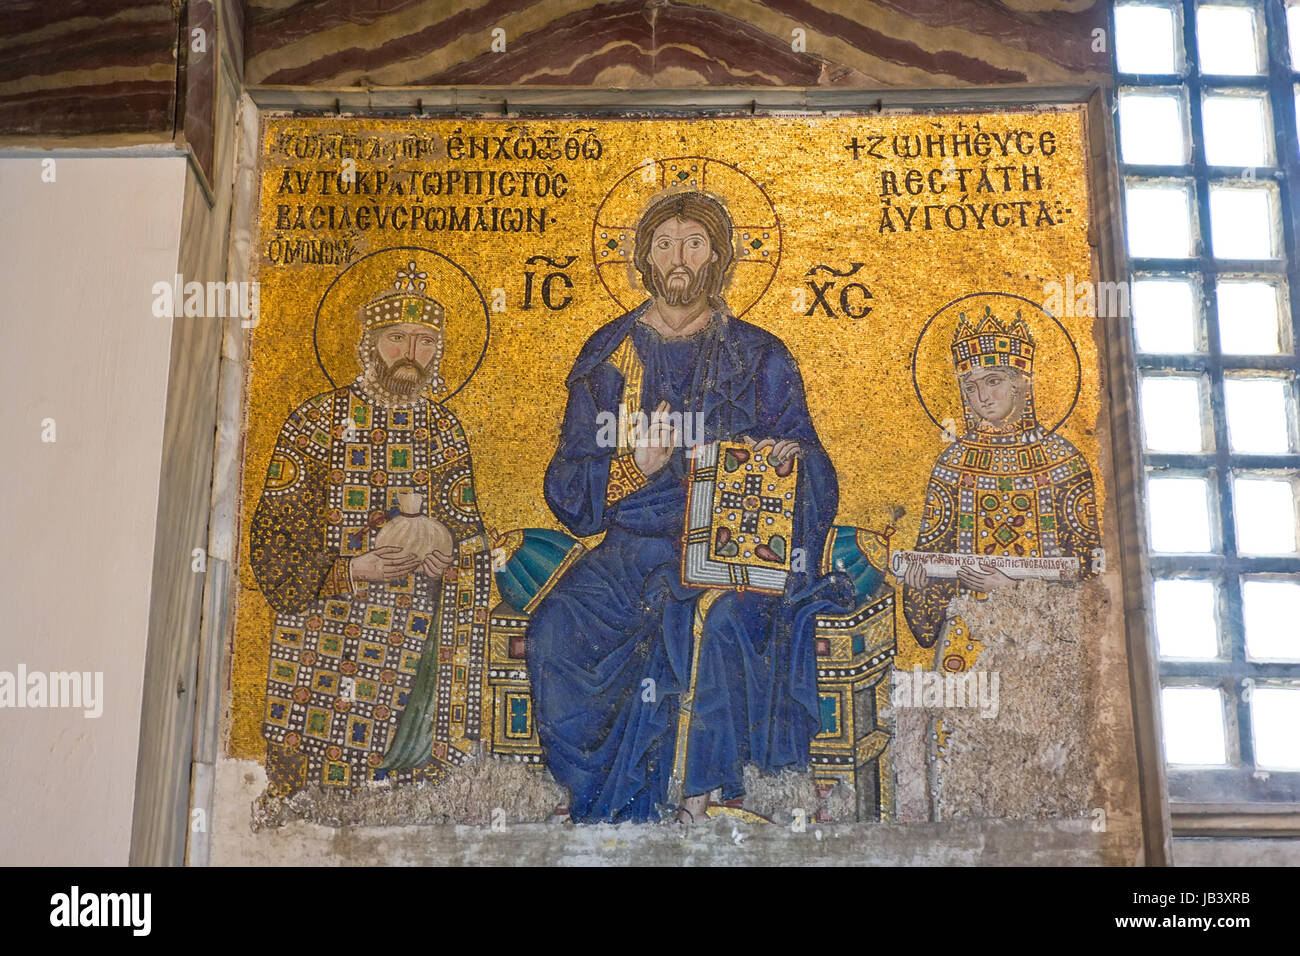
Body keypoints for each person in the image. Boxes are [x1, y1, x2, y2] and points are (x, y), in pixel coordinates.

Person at [526, 190, 852, 824]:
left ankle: (703, 801)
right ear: (643, 257)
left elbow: (815, 466)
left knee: (721, 621)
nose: (679, 257)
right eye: (665, 243)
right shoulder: (607, 357)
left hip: (729, 547)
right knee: (554, 629)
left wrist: (789, 458)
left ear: (719, 258)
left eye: (695, 243)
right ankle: (599, 802)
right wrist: (629, 467)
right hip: (632, 551)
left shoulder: (760, 356)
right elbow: (567, 491)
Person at [251, 262, 492, 795]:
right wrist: (349, 570)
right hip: (332, 616)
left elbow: (468, 528)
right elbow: (273, 539)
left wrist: (450, 558)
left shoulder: (444, 430)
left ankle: (414, 766)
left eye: (426, 340)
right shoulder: (315, 423)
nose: (412, 352)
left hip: (420, 617)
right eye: (397, 338)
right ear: (369, 344)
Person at [902, 305, 1102, 652]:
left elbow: (1091, 578)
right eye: (971, 386)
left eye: (993, 381)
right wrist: (920, 588)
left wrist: (1012, 588)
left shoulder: (1064, 464)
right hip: (965, 647)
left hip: (1041, 647)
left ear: (1020, 383)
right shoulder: (953, 465)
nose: (982, 397)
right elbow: (933, 563)